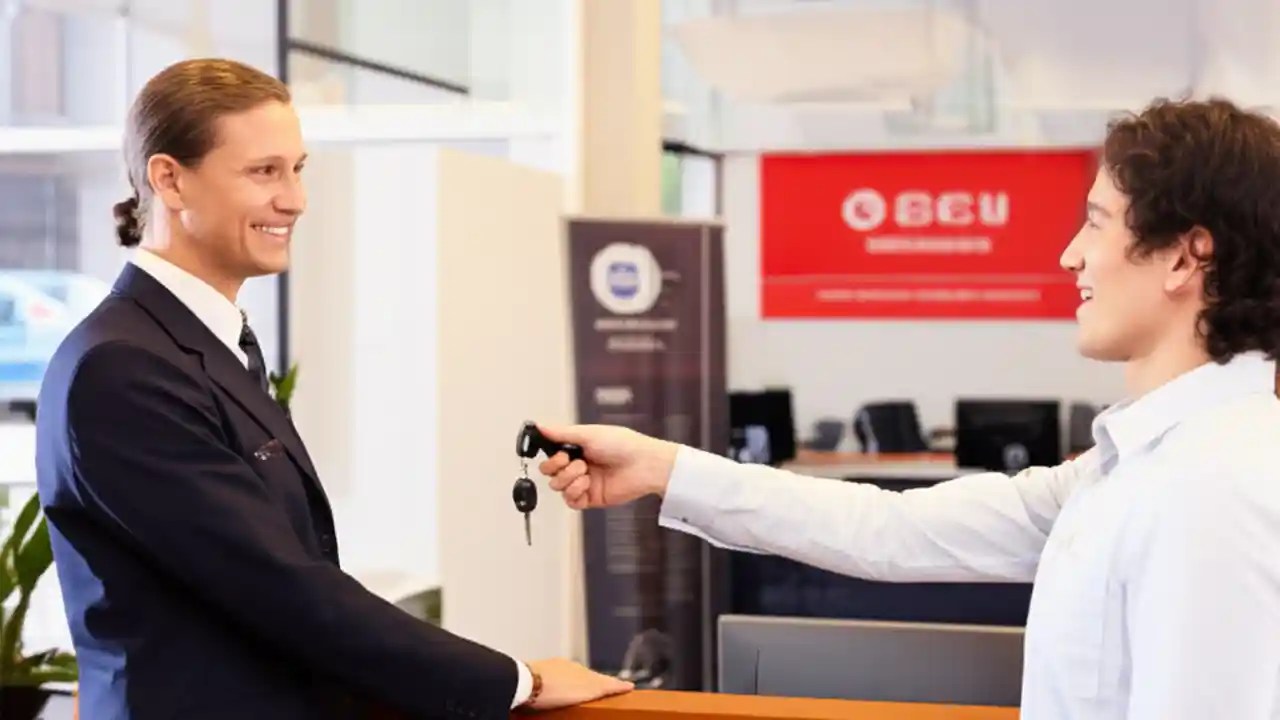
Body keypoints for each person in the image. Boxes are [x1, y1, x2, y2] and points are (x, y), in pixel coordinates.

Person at [538, 97, 1280, 720]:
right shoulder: (1136, 470)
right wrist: (661, 466)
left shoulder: (1214, 488)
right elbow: (893, 529)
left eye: (1096, 221)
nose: (1070, 255)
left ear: (1186, 258)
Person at [34, 58, 630, 720]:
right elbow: (278, 587)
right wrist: (519, 682)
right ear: (170, 179)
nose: (294, 198)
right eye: (264, 172)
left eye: (298, 169)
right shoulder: (121, 367)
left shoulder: (202, 345)